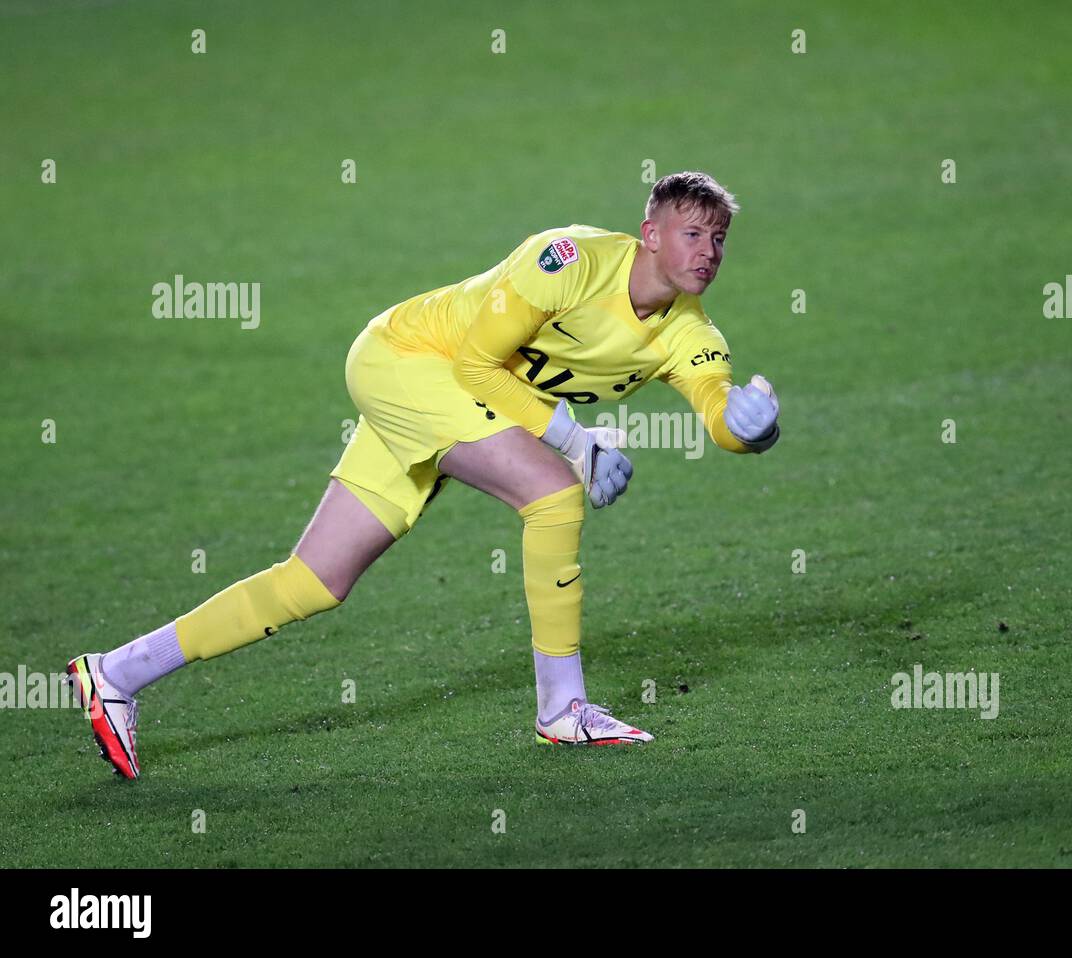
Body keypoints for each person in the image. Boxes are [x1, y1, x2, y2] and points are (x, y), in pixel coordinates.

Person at [65, 171, 782, 777]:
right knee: (554, 493)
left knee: (314, 581)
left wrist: (750, 428)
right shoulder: (568, 260)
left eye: (719, 238)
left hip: (442, 397)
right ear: (650, 233)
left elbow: (717, 409)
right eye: (693, 233)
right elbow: (474, 364)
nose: (709, 251)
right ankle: (562, 710)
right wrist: (575, 442)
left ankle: (117, 673)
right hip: (406, 360)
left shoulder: (691, 332)